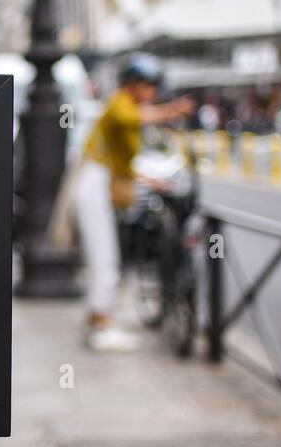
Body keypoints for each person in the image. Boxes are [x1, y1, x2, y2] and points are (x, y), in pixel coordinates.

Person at [73, 54, 195, 353]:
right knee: (104, 258)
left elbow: (124, 162)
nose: (153, 93)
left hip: (101, 182)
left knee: (106, 257)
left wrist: (149, 180)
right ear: (135, 85)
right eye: (150, 86)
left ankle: (97, 317)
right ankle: (100, 326)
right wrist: (171, 111)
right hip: (94, 184)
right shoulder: (119, 103)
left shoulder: (127, 106)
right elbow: (131, 118)